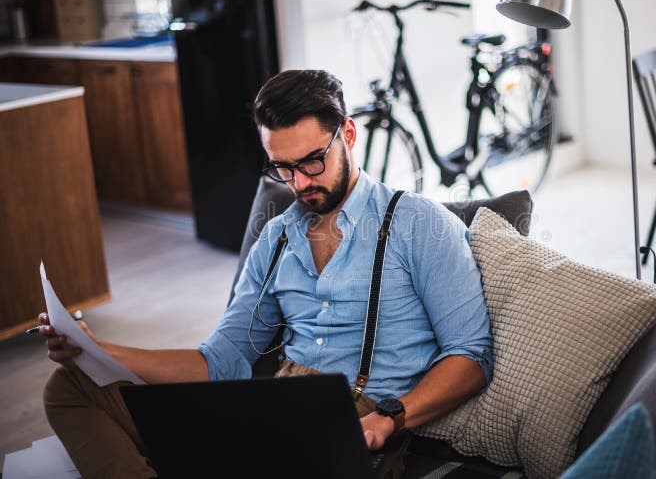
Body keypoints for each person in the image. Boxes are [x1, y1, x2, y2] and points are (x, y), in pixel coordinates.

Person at [40, 69, 493, 479]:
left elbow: (471, 357)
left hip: (357, 421)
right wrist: (97, 350)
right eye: (282, 168)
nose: (298, 183)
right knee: (69, 386)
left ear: (348, 135)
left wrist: (388, 418)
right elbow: (220, 360)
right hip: (268, 409)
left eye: (312, 161)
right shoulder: (275, 238)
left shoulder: (419, 223)